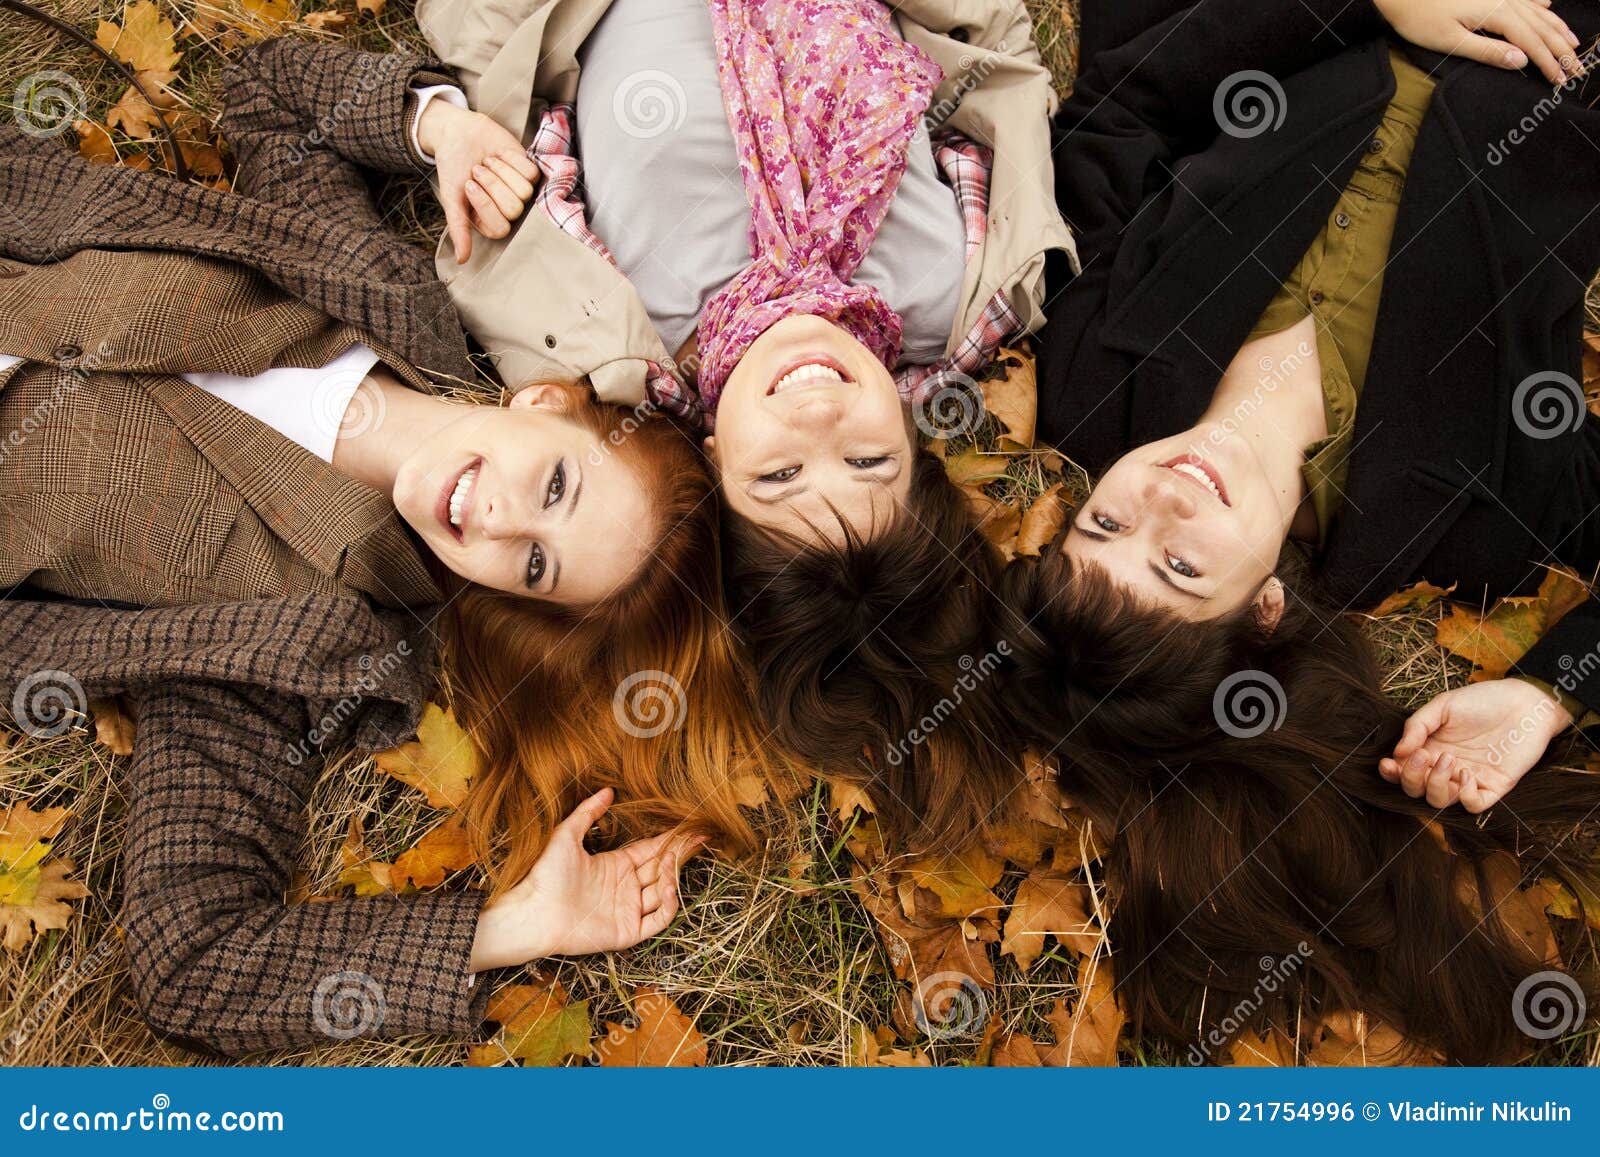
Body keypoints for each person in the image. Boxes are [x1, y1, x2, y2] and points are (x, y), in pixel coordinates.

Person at [0, 35, 767, 1051]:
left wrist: (515, 925)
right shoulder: (375, 289)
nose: (495, 519)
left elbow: (190, 963)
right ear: (542, 401)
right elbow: (266, 87)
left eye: (534, 561)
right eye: (551, 481)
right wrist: (436, 127)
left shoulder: (309, 633)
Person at [999, 0, 1600, 1063]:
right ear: (1264, 605)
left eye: (1106, 522)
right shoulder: (1463, 526)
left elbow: (1126, 102)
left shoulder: (1093, 381)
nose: (1163, 501)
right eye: (1179, 566)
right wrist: (1548, 691)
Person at [404, 0, 1077, 844]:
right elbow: (997, 61)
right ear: (915, 441)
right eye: (869, 460)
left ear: (714, 463)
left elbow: (498, 98)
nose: (816, 414)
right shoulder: (967, 293)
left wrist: (448, 124)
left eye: (780, 475)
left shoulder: (604, 342)